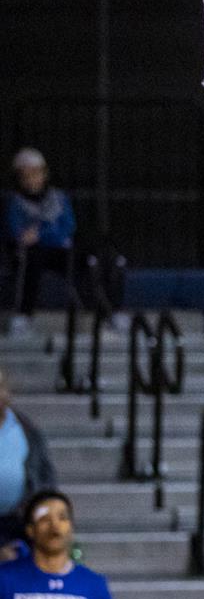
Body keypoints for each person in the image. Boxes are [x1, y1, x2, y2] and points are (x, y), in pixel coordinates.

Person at [6, 148, 77, 331]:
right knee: (29, 260)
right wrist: (39, 236)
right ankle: (23, 316)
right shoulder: (15, 202)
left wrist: (40, 234)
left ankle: (107, 314)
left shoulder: (59, 198)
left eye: (35, 174)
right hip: (31, 255)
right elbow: (19, 233)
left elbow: (67, 227)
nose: (31, 180)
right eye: (26, 175)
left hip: (59, 251)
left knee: (91, 261)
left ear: (44, 174)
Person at [0, 368, 58, 550]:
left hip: (20, 522)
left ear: (8, 392)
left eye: (0, 387)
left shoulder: (26, 428)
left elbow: (45, 475)